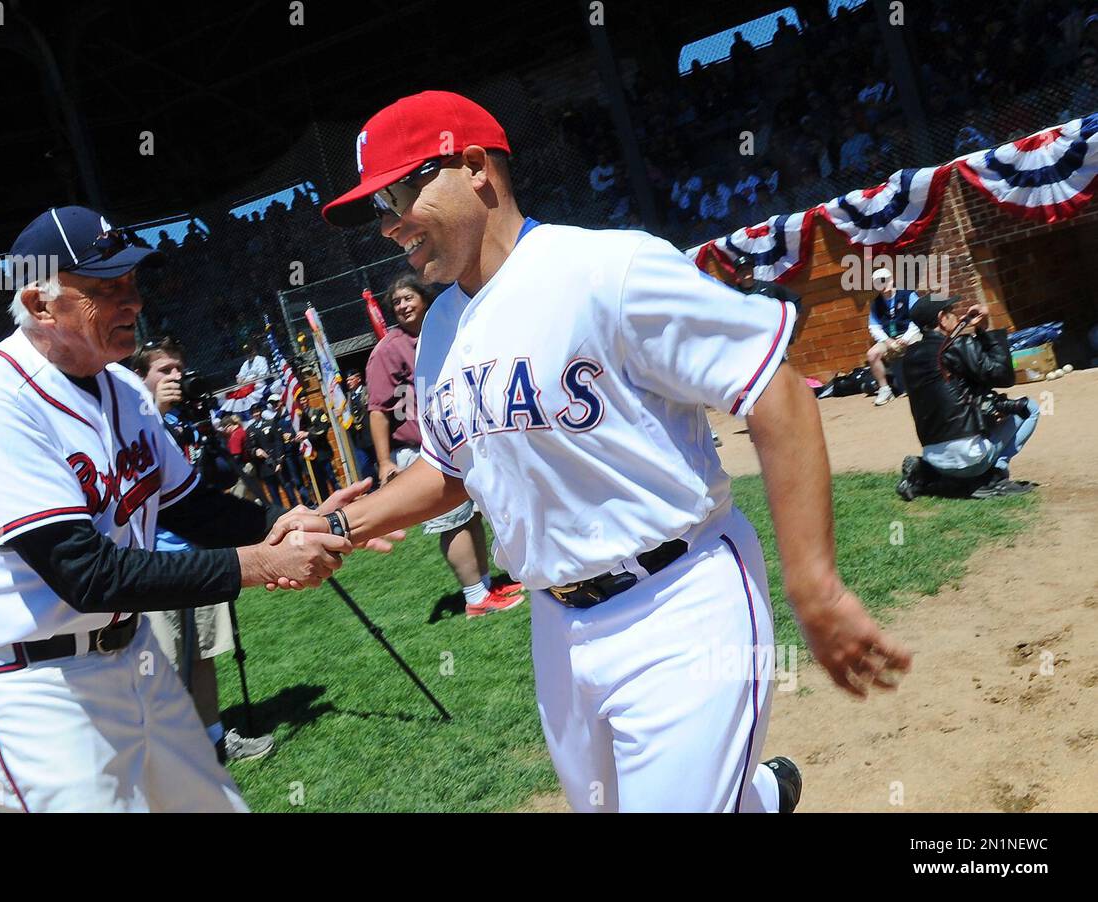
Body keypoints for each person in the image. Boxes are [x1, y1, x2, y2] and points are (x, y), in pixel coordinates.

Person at [307, 90, 911, 812]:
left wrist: (814, 583)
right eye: (378, 208)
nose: (388, 224)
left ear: (473, 167)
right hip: (557, 627)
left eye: (400, 192)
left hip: (679, 600)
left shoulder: (606, 269)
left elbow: (775, 391)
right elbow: (450, 470)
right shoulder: (438, 327)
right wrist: (340, 526)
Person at [0, 205, 370, 813]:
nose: (131, 302)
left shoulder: (125, 388)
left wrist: (287, 522)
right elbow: (88, 574)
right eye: (106, 289)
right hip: (35, 689)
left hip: (135, 658)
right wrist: (261, 563)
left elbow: (189, 507)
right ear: (39, 305)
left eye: (132, 283)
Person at [130, 336, 276, 764]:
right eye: (164, 371)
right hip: (155, 561)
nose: (176, 378)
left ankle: (213, 738)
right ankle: (171, 747)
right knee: (162, 660)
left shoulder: (185, 422)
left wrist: (204, 429)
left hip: (200, 554)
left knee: (203, 654)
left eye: (179, 370)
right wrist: (153, 407)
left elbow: (212, 480)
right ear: (140, 378)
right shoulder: (135, 419)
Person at [366, 272, 526, 619]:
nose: (403, 306)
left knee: (470, 516)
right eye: (396, 302)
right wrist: (383, 462)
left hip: (456, 443)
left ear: (424, 298)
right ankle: (475, 597)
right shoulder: (387, 350)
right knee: (453, 520)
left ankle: (485, 585)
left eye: (408, 298)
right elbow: (377, 411)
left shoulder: (444, 332)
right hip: (420, 452)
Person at [896, 296, 1038, 501]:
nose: (956, 316)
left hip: (933, 456)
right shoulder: (956, 347)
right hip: (969, 460)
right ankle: (994, 475)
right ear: (942, 318)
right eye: (951, 312)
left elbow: (956, 391)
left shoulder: (910, 357)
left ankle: (931, 472)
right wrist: (984, 329)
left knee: (985, 411)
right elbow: (1003, 375)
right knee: (1030, 408)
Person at [866, 268, 921, 406]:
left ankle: (921, 382)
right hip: (889, 338)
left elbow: (918, 318)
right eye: (878, 282)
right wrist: (887, 341)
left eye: (884, 281)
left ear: (891, 280)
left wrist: (907, 338)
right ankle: (885, 389)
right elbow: (874, 327)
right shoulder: (875, 303)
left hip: (910, 333)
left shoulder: (908, 295)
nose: (882, 285)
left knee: (918, 345)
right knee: (872, 354)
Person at [345, 370, 378, 482]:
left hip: (371, 432)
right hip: (359, 437)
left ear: (358, 379)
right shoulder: (348, 397)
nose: (348, 382)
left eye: (351, 379)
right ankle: (372, 487)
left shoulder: (367, 391)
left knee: (377, 459)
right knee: (365, 465)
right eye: (347, 380)